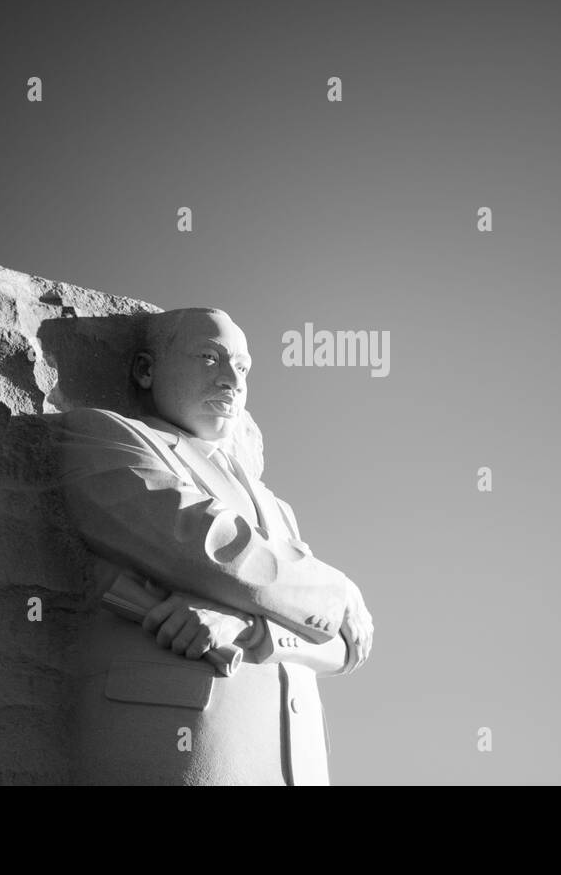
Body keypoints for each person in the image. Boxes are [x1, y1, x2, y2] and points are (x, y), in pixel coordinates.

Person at [50, 307, 374, 785]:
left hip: (293, 759)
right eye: (209, 357)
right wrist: (340, 590)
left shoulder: (276, 508)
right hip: (179, 740)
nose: (232, 380)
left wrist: (245, 626)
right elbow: (213, 550)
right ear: (146, 369)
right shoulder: (106, 437)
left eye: (242, 367)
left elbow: (348, 648)